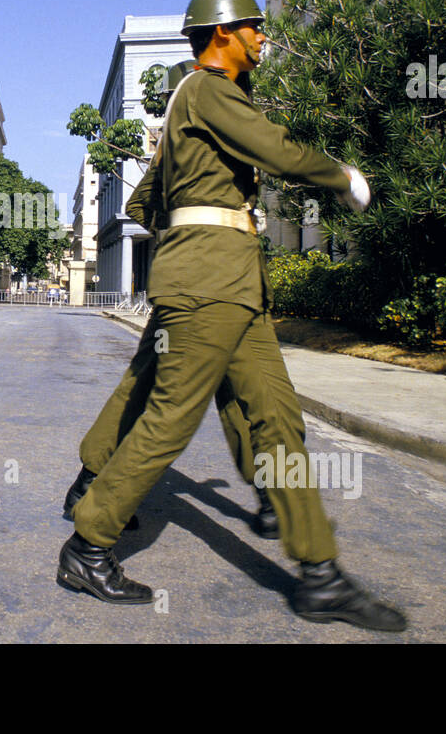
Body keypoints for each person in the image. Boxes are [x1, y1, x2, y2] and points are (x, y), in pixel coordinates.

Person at [58, 0, 406, 632]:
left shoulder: (210, 102)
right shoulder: (207, 91)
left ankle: (319, 571)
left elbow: (147, 201)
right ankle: (90, 541)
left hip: (233, 282)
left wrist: (183, 231)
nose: (262, 39)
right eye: (254, 29)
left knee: (277, 415)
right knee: (169, 420)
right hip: (209, 283)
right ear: (223, 34)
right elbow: (276, 148)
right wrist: (342, 176)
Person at [65, 60, 278, 541]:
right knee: (164, 393)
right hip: (197, 283)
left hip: (218, 283)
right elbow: (139, 205)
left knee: (231, 395)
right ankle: (91, 491)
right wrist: (186, 227)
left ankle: (268, 494)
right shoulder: (181, 149)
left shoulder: (214, 141)